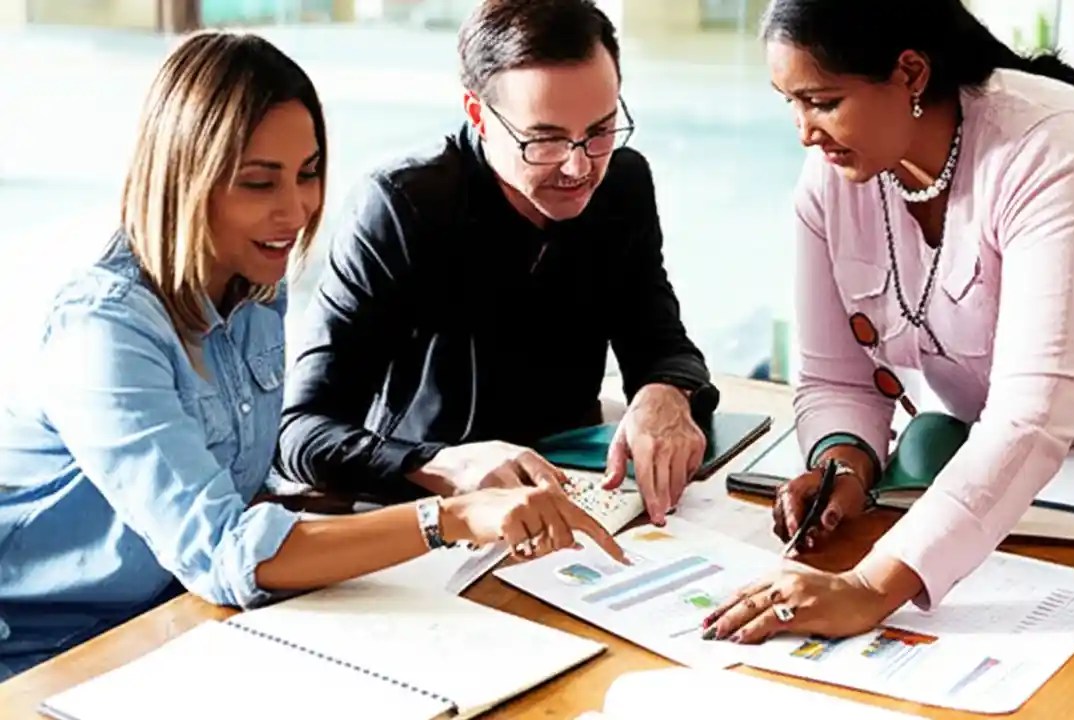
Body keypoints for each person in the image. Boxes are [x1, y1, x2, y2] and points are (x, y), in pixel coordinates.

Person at [0, 30, 623, 680]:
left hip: (179, 622)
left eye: (308, 173)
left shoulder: (250, 282)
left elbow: (244, 488)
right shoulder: (103, 331)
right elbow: (225, 554)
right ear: (186, 180)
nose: (296, 210)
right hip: (47, 658)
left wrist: (419, 492)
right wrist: (451, 518)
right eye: (258, 182)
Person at [704, 0, 1074, 644]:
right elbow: (836, 377)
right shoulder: (838, 174)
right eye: (790, 102)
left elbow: (1029, 420)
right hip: (1036, 501)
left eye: (823, 101)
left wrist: (867, 588)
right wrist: (845, 461)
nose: (804, 131)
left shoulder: (1054, 151)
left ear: (911, 74)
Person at [276, 0, 718, 524]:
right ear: (478, 114)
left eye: (600, 130)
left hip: (574, 495)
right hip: (427, 512)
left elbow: (660, 341)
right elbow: (303, 430)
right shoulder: (402, 207)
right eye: (545, 140)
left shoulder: (621, 184)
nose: (579, 167)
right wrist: (438, 464)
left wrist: (665, 391)